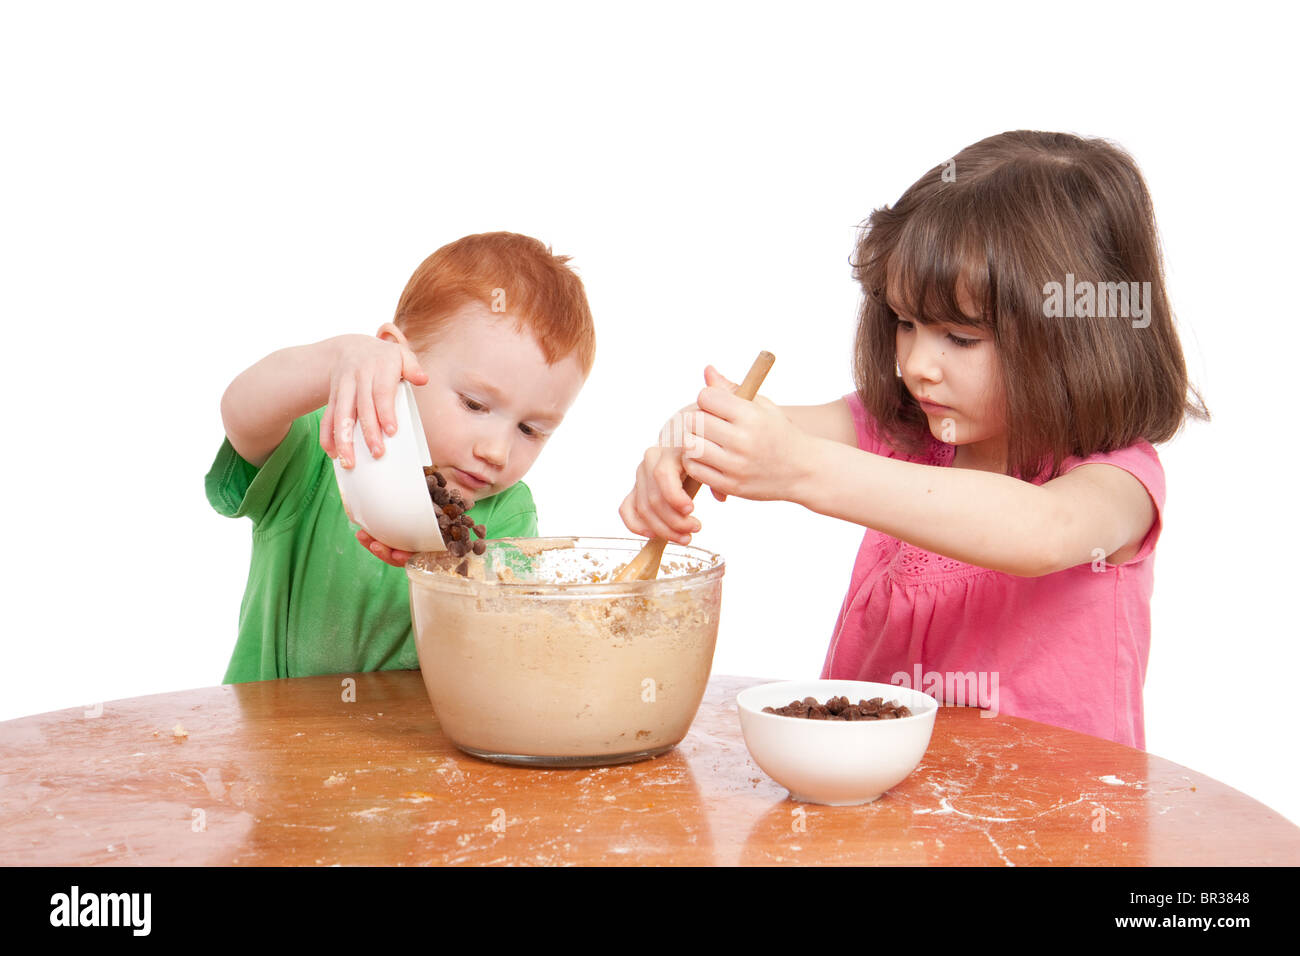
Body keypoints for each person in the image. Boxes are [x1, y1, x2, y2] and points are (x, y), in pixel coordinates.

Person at [620, 131, 1208, 749]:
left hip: (1050, 831)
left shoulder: (1119, 481)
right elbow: (756, 427)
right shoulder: (902, 427)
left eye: (961, 337)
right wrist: (685, 445)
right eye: (906, 323)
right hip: (883, 816)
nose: (919, 364)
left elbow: (1041, 533)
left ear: (1076, 337)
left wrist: (799, 471)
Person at [209, 232, 595, 683]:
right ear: (399, 358)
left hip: (419, 752)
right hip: (266, 744)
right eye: (473, 404)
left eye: (530, 430)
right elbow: (242, 411)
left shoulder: (506, 517)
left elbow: (501, 656)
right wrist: (338, 360)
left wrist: (454, 571)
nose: (496, 451)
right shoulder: (324, 448)